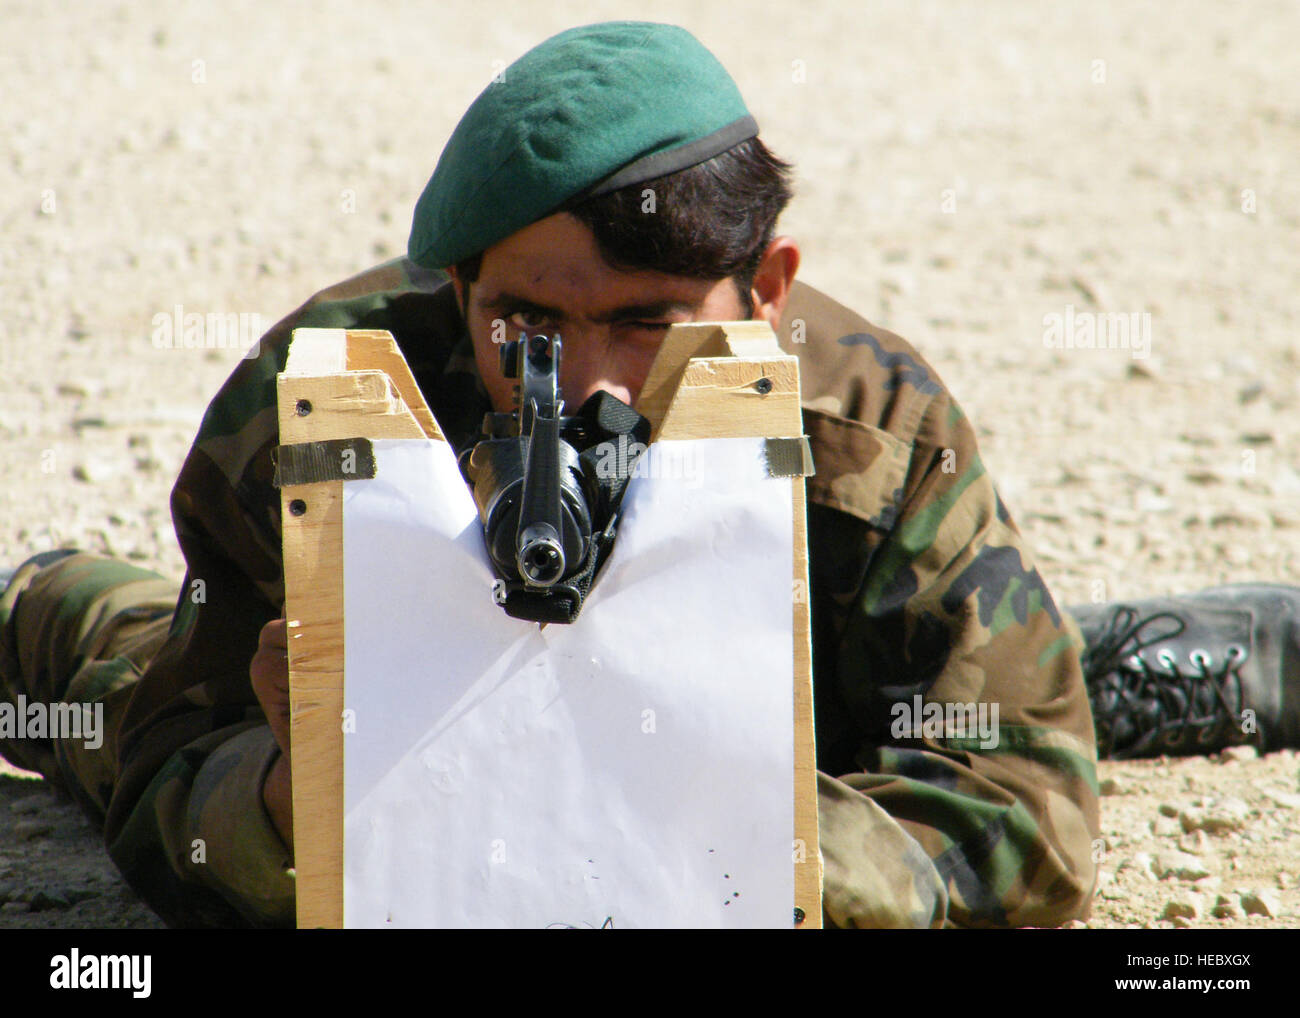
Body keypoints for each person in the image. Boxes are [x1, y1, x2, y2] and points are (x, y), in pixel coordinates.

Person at [3, 21, 1290, 929]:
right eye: (528, 328)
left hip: (809, 755)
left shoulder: (866, 434)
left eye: (650, 321)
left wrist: (717, 850)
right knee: (96, 676)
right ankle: (35, 596)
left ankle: (1112, 661)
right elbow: (176, 775)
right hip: (409, 743)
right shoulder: (328, 408)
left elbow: (1024, 810)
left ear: (766, 291)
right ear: (454, 292)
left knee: (948, 697)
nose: (592, 383)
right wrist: (293, 803)